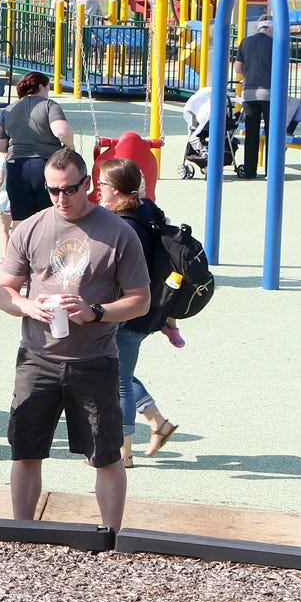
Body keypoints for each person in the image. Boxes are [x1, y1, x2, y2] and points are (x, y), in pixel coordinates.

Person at [0, 149, 151, 531]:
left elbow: (140, 300)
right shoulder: (30, 228)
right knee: (26, 452)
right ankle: (22, 534)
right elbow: (3, 291)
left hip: (94, 358)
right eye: (52, 191)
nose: (61, 198)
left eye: (70, 189)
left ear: (89, 184)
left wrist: (94, 311)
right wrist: (28, 306)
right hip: (37, 357)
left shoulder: (118, 232)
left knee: (106, 455)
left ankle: (111, 536)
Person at [94, 158, 182, 464]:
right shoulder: (147, 210)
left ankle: (123, 452)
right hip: (149, 311)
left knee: (118, 381)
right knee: (118, 371)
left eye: (102, 184)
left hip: (127, 314)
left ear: (116, 191)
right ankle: (158, 422)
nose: (97, 189)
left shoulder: (125, 226)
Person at [0, 71, 74, 222]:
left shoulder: (8, 110)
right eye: (48, 88)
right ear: (41, 87)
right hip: (46, 165)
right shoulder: (48, 105)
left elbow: (0, 145)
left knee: (21, 221)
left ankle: (18, 245)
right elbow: (62, 132)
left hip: (16, 167)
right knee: (50, 218)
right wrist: (70, 146)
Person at [235, 18, 274, 179]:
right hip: (270, 93)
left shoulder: (246, 42)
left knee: (251, 133)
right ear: (270, 29)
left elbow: (238, 67)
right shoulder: (275, 43)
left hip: (249, 92)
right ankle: (270, 172)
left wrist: (248, 74)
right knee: (272, 132)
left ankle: (250, 171)